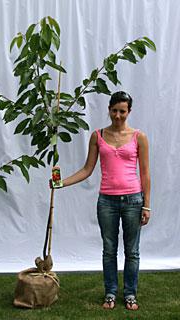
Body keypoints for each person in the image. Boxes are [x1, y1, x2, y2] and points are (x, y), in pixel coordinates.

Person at [58, 91, 151, 310]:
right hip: (106, 202)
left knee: (132, 251)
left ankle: (130, 294)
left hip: (133, 200)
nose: (118, 115)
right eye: (114, 110)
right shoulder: (97, 136)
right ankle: (110, 292)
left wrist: (146, 204)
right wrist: (61, 183)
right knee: (109, 250)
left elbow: (145, 173)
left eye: (123, 111)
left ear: (129, 112)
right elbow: (87, 170)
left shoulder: (140, 137)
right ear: (109, 109)